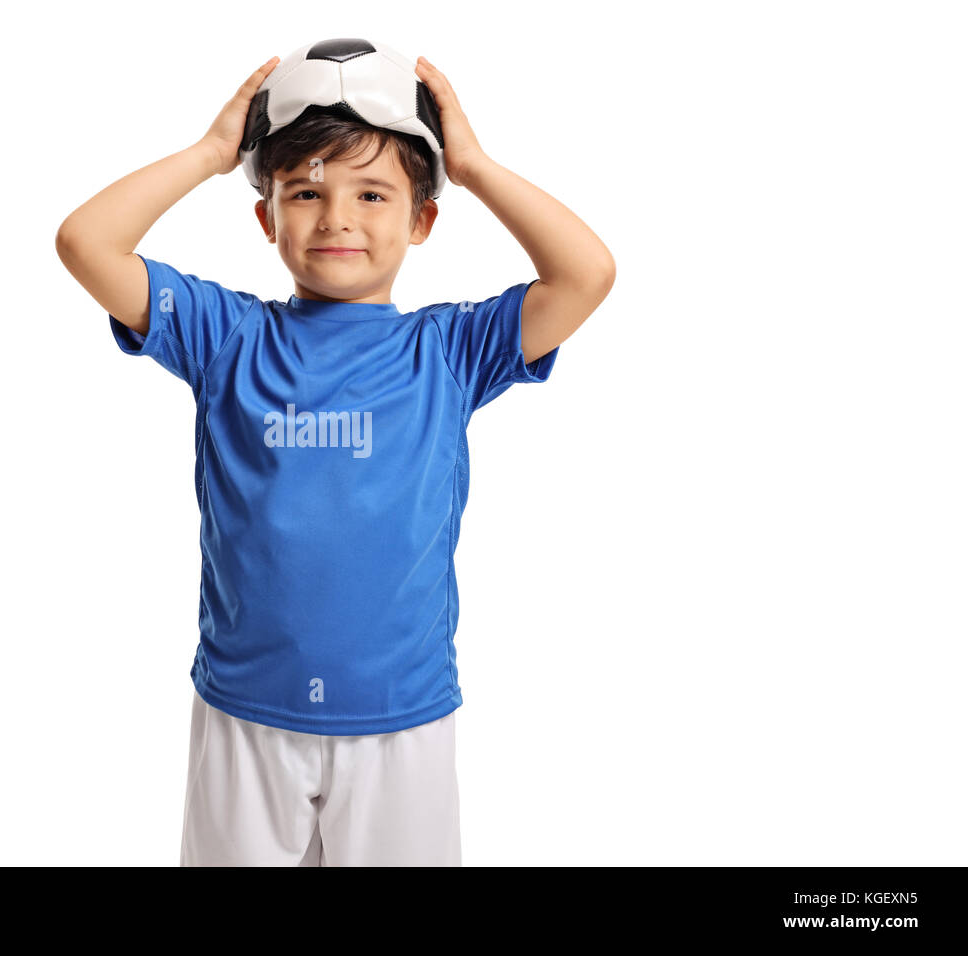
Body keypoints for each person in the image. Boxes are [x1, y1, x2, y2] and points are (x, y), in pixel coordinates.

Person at [55, 53, 615, 866]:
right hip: (248, 710)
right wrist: (213, 154)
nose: (337, 218)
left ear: (422, 220)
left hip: (402, 715)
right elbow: (85, 241)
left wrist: (474, 168)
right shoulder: (226, 335)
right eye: (306, 192)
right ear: (268, 218)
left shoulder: (450, 349)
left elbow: (587, 272)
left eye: (373, 194)